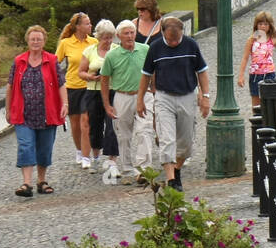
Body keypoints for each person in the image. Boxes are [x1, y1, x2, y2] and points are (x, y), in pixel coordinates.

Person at [137, 16, 210, 191]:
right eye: (170, 39)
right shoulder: (155, 48)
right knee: (166, 139)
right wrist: (140, 100)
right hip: (164, 97)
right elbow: (146, 75)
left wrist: (205, 96)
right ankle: (171, 180)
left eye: (177, 39)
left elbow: (202, 71)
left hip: (187, 95)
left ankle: (176, 170)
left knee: (186, 143)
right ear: (163, 33)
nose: (174, 42)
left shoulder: (191, 45)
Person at [8, 25, 68, 198]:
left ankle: (41, 180)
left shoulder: (51, 60)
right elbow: (10, 86)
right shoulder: (19, 61)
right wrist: (8, 109)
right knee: (26, 146)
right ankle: (26, 183)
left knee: (44, 148)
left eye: (39, 39)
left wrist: (65, 104)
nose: (35, 42)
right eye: (33, 39)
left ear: (44, 41)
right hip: (23, 112)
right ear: (27, 40)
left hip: (47, 112)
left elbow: (61, 83)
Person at [101, 20, 154, 186]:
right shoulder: (111, 56)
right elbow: (104, 80)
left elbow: (154, 70)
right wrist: (107, 105)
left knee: (144, 131)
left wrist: (155, 89)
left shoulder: (145, 49)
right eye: (126, 33)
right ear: (119, 36)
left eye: (132, 32)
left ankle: (143, 170)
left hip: (144, 95)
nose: (130, 36)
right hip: (122, 96)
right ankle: (127, 169)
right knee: (124, 136)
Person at [78, 19, 120, 180]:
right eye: (105, 38)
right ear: (99, 37)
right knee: (95, 127)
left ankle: (112, 161)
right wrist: (91, 76)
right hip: (93, 92)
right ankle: (95, 157)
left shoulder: (117, 50)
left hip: (112, 91)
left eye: (110, 37)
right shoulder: (90, 51)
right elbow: (80, 72)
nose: (108, 41)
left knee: (112, 126)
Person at [55, 12, 95, 170]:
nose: (90, 26)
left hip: (90, 86)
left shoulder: (93, 42)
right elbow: (54, 63)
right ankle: (79, 151)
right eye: (87, 23)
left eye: (90, 23)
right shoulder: (66, 43)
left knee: (86, 122)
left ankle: (87, 156)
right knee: (75, 123)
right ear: (78, 26)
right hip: (72, 86)